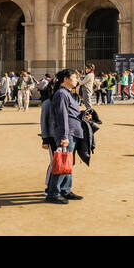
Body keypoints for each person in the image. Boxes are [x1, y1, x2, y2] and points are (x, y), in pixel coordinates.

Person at [39, 69, 85, 204]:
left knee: (68, 163)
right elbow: (62, 116)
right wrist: (64, 136)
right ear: (65, 79)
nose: (76, 80)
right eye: (74, 78)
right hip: (68, 133)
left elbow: (70, 114)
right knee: (62, 163)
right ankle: (53, 193)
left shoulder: (67, 94)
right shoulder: (61, 94)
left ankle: (65, 189)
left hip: (72, 131)